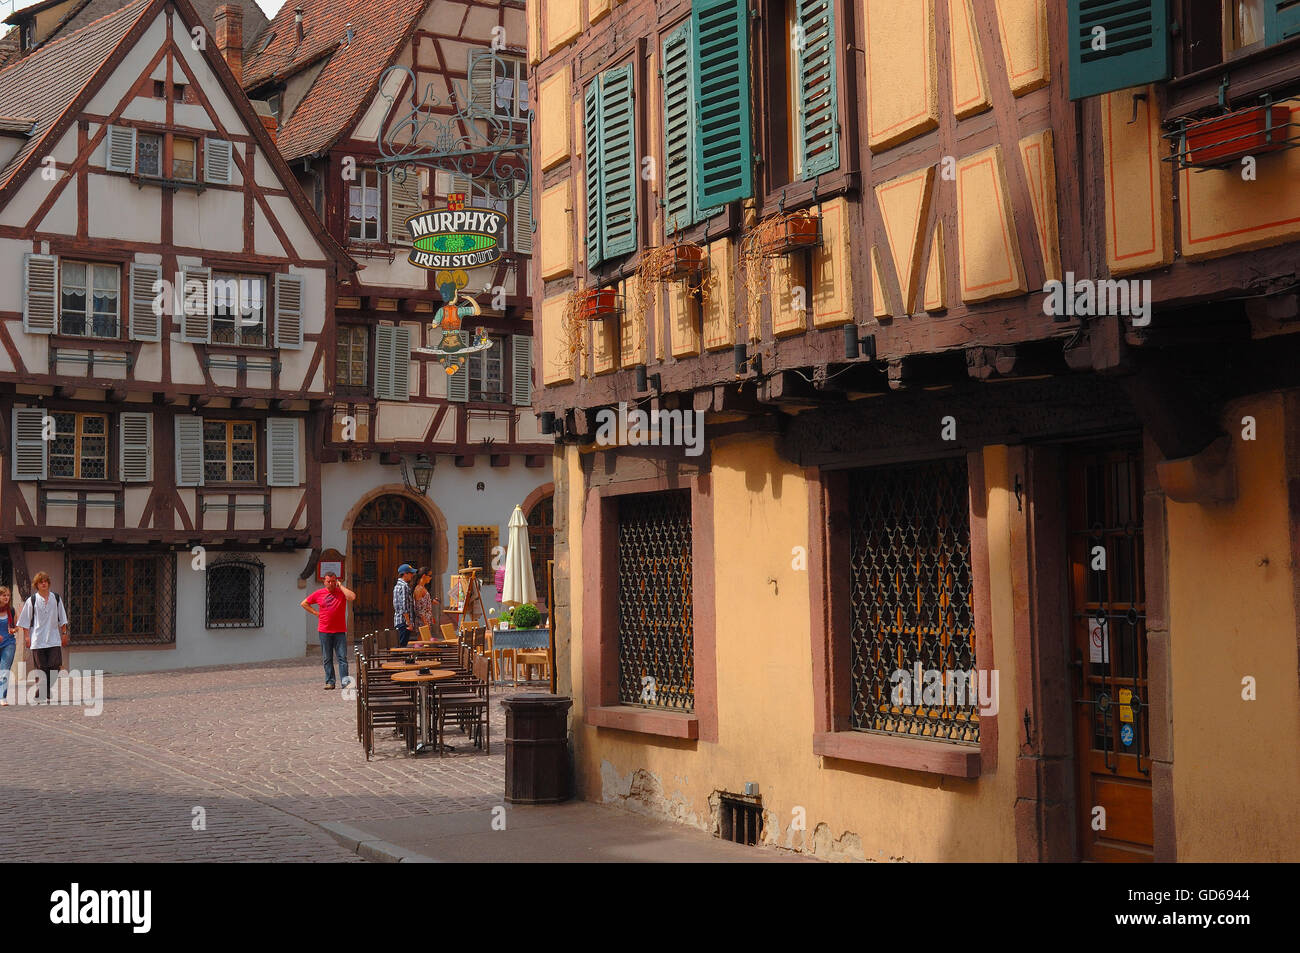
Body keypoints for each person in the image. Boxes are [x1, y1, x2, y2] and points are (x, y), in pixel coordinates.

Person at [17, 572, 69, 704]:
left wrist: (64, 634)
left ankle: (41, 692)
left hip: (54, 639)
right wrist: (27, 637)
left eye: (45, 581)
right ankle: (43, 693)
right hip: (37, 640)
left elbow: (62, 619)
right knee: (41, 669)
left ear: (48, 583)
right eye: (41, 582)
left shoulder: (56, 598)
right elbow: (24, 621)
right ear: (37, 585)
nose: (44, 583)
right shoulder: (32, 600)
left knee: (55, 666)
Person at [301, 571, 356, 690]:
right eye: (328, 581)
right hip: (324, 630)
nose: (330, 583)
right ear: (324, 582)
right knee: (327, 657)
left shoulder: (341, 592)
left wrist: (340, 586)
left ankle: (345, 682)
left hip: (340, 631)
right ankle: (330, 682)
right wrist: (316, 613)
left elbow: (352, 597)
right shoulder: (319, 593)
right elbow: (304, 603)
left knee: (342, 657)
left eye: (333, 581)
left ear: (336, 581)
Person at [393, 564, 417, 647]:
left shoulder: (397, 586)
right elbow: (404, 606)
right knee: (401, 646)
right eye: (410, 573)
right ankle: (396, 660)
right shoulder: (404, 586)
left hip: (399, 620)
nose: (412, 575)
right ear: (405, 574)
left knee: (399, 645)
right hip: (404, 621)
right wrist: (408, 622)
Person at [0, 586, 15, 707]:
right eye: (4, 595)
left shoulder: (11, 610)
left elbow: (14, 626)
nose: (6, 597)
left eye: (8, 595)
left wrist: (13, 630)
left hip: (9, 643)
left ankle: (2, 697)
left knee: (4, 670)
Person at [413, 567, 439, 636]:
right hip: (422, 623)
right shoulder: (419, 589)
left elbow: (424, 604)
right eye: (430, 576)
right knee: (422, 643)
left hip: (425, 621)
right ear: (424, 576)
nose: (430, 578)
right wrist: (425, 623)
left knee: (425, 643)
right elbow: (419, 609)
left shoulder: (422, 588)